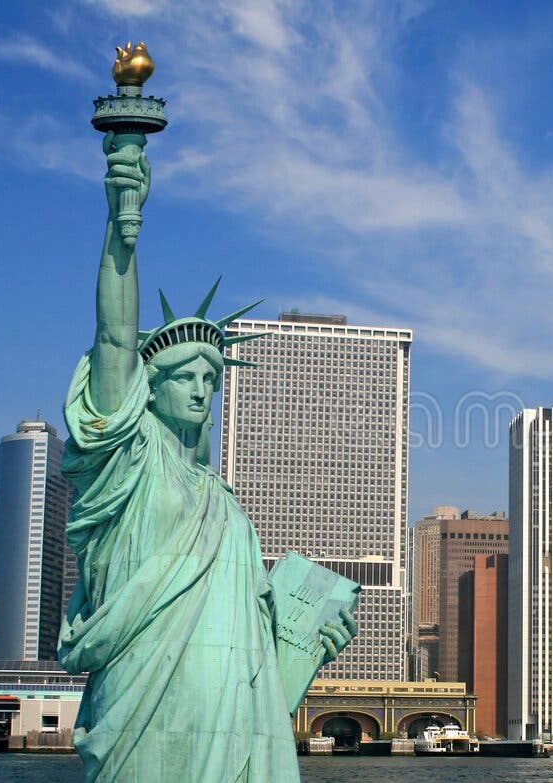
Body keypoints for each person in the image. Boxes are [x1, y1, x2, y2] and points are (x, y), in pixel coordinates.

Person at [57, 133, 356, 782]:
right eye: (185, 376)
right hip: (144, 708)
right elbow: (114, 336)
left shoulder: (225, 506)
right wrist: (121, 227)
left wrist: (307, 647)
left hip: (231, 725)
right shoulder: (131, 463)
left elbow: (254, 655)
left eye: (210, 378)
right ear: (148, 387)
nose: (200, 389)